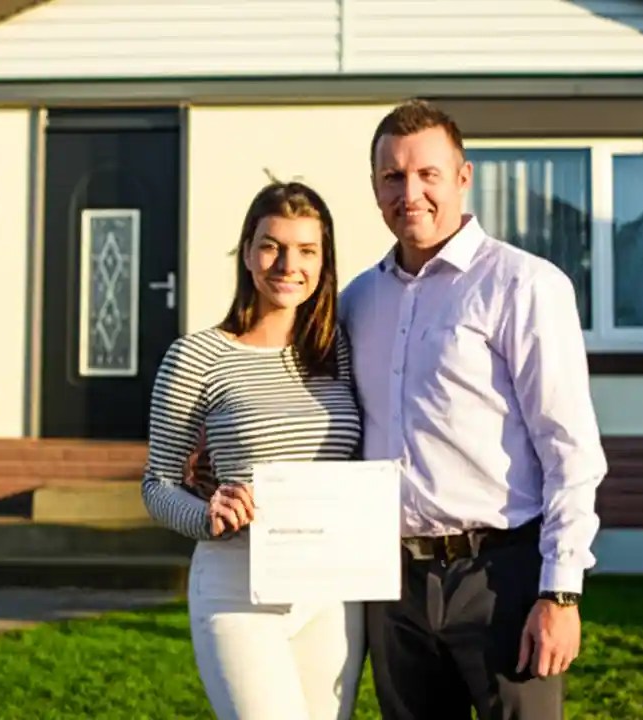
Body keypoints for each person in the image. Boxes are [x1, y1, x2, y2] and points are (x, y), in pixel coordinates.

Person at [339, 99, 609, 719]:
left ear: (463, 177)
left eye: (428, 174)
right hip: (393, 586)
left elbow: (571, 451)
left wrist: (561, 593)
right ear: (375, 187)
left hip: (501, 578)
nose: (411, 192)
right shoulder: (356, 301)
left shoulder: (524, 286)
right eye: (393, 177)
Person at [140, 181, 364, 720]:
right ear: (246, 252)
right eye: (272, 246)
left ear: (324, 260)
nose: (289, 264)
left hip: (331, 589)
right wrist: (206, 512)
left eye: (307, 250)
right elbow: (157, 485)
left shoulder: (342, 350)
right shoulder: (197, 356)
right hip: (237, 584)